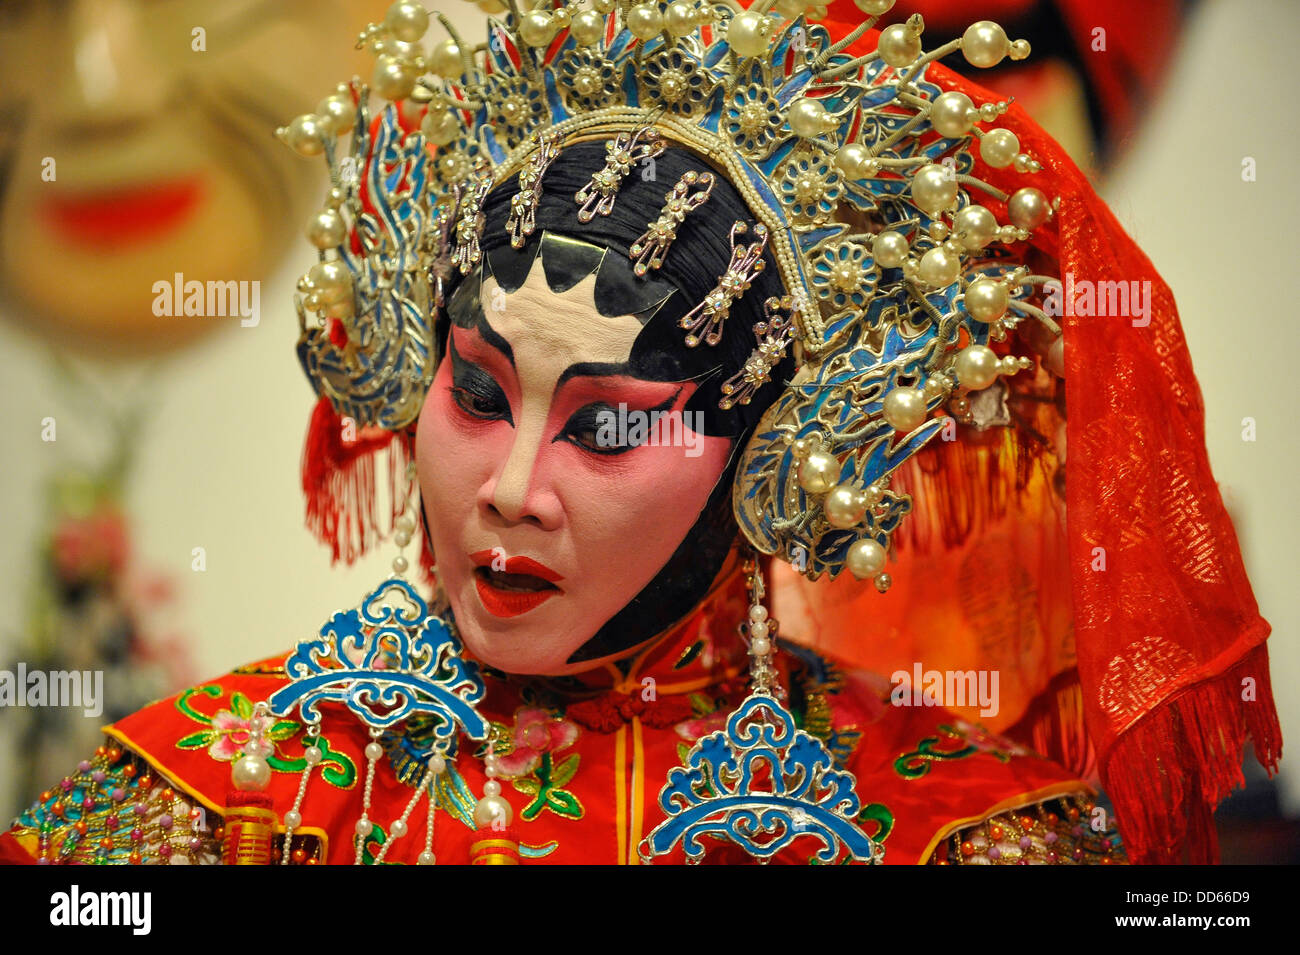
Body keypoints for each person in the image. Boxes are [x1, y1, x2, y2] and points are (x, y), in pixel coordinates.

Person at [0, 0, 1277, 866]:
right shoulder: (217, 804)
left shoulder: (955, 833)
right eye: (481, 395)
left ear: (771, 448)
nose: (508, 488)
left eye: (605, 427)